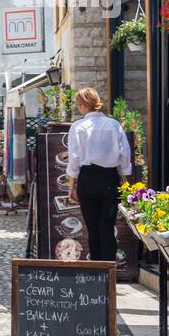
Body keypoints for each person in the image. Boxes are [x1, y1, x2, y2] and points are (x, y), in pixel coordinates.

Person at [67, 87, 132, 263]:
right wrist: (125, 181)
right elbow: (124, 155)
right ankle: (109, 271)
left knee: (93, 229)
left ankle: (96, 271)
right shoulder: (114, 124)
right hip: (109, 178)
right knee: (107, 227)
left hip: (88, 178)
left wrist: (71, 186)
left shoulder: (78, 127)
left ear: (82, 104)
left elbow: (74, 159)